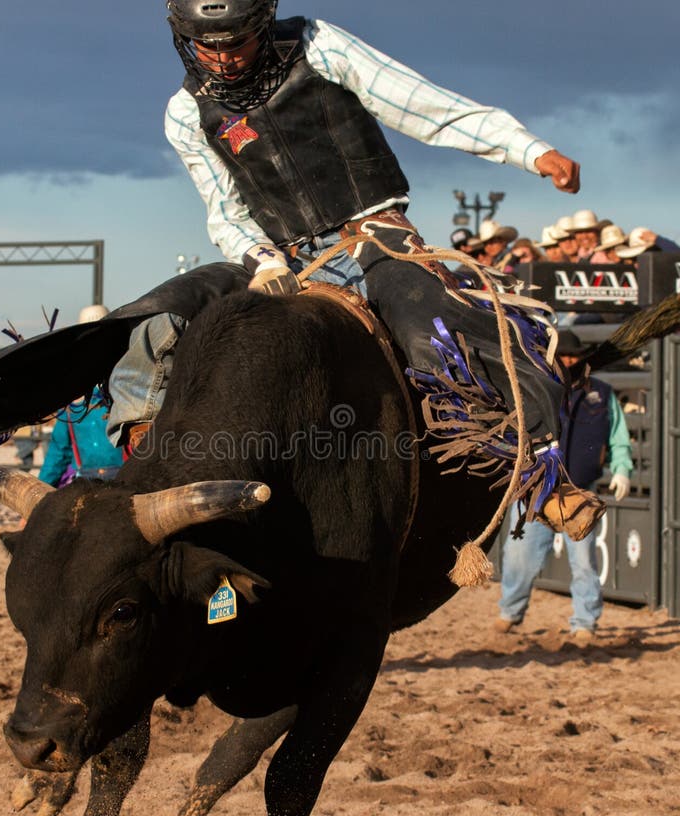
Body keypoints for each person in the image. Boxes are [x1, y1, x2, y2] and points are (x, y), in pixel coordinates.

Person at [105, 0, 599, 538]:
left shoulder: (320, 48)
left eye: (235, 42)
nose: (222, 58)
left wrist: (527, 150)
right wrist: (264, 259)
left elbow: (424, 106)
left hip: (374, 236)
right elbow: (225, 211)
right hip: (280, 257)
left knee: (431, 331)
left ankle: (539, 475)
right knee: (152, 320)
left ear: (262, 27)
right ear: (185, 38)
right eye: (208, 45)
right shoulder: (186, 113)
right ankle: (146, 469)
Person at [495, 330, 634, 645]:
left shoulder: (602, 393)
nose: (570, 360)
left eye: (574, 355)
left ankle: (585, 621)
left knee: (584, 562)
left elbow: (618, 437)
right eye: (565, 355)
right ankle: (510, 611)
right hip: (538, 490)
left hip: (580, 492)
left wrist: (622, 469)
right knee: (519, 556)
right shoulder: (535, 389)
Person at [38, 305, 124, 488]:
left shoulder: (121, 385)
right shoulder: (73, 396)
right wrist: (39, 492)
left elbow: (58, 452)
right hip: (90, 481)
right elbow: (59, 451)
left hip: (121, 478)